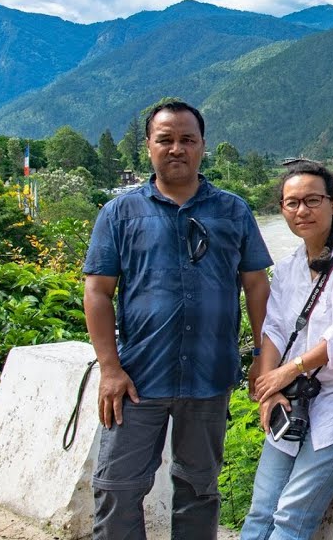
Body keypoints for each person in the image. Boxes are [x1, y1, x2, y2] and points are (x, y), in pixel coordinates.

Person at [82, 100, 273, 540]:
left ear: (202, 146)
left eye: (187, 139)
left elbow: (256, 286)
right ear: (148, 146)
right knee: (117, 487)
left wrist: (262, 356)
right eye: (165, 139)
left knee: (199, 488)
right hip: (137, 377)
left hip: (209, 374)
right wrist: (110, 368)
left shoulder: (232, 211)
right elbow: (97, 292)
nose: (176, 148)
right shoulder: (120, 213)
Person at [241, 161, 333, 539]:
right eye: (292, 203)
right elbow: (273, 329)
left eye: (312, 200)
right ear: (282, 209)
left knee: (291, 516)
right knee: (261, 510)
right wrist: (270, 392)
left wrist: (287, 372)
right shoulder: (288, 267)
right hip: (291, 401)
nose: (302, 210)